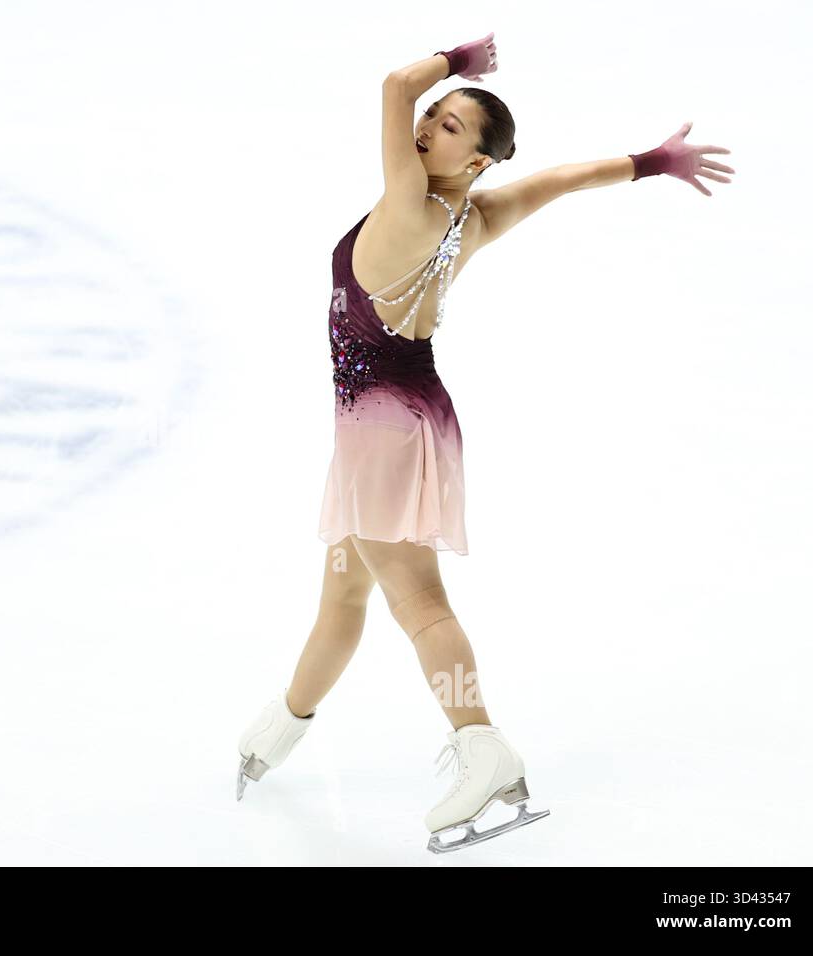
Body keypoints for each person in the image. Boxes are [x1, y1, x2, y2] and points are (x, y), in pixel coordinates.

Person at [236, 33, 735, 853]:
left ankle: (483, 749)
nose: (428, 124)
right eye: (435, 117)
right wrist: (648, 162)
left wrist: (452, 61)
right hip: (403, 422)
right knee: (345, 595)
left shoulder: (408, 203)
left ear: (473, 161)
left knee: (419, 604)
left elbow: (396, 84)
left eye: (452, 126)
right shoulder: (473, 215)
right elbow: (552, 182)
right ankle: (280, 727)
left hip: (382, 434)